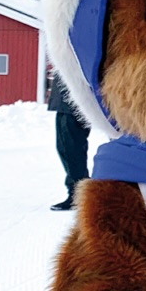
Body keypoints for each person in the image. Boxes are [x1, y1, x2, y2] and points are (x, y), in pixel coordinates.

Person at [47, 73, 91, 211]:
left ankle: (79, 192)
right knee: (68, 142)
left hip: (110, 76)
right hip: (71, 83)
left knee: (69, 141)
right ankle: (78, 192)